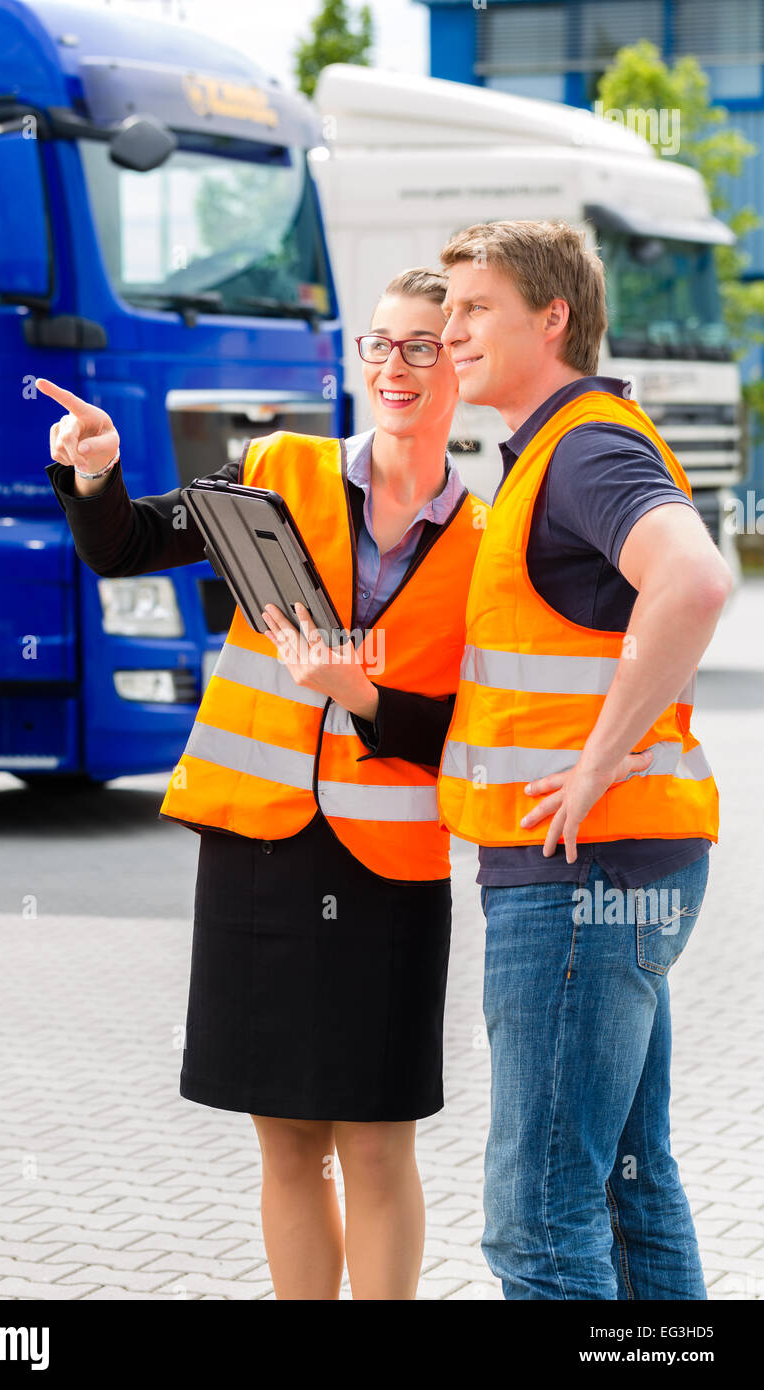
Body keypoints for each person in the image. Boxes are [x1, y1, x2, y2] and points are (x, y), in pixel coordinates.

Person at [38, 268, 487, 1300]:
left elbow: (473, 732)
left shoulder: (484, 541)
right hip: (257, 857)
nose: (394, 366)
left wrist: (359, 695)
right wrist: (98, 473)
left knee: (375, 1144)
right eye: (379, 343)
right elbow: (131, 544)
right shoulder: (280, 467)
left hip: (387, 873)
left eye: (421, 344)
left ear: (457, 363)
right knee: (285, 1141)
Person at [435, 220, 731, 1300]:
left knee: (538, 1214)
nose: (449, 329)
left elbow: (693, 583)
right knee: (625, 1184)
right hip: (614, 865)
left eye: (474, 308)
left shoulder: (585, 448)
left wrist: (599, 757)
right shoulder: (551, 453)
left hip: (580, 870)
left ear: (550, 318)